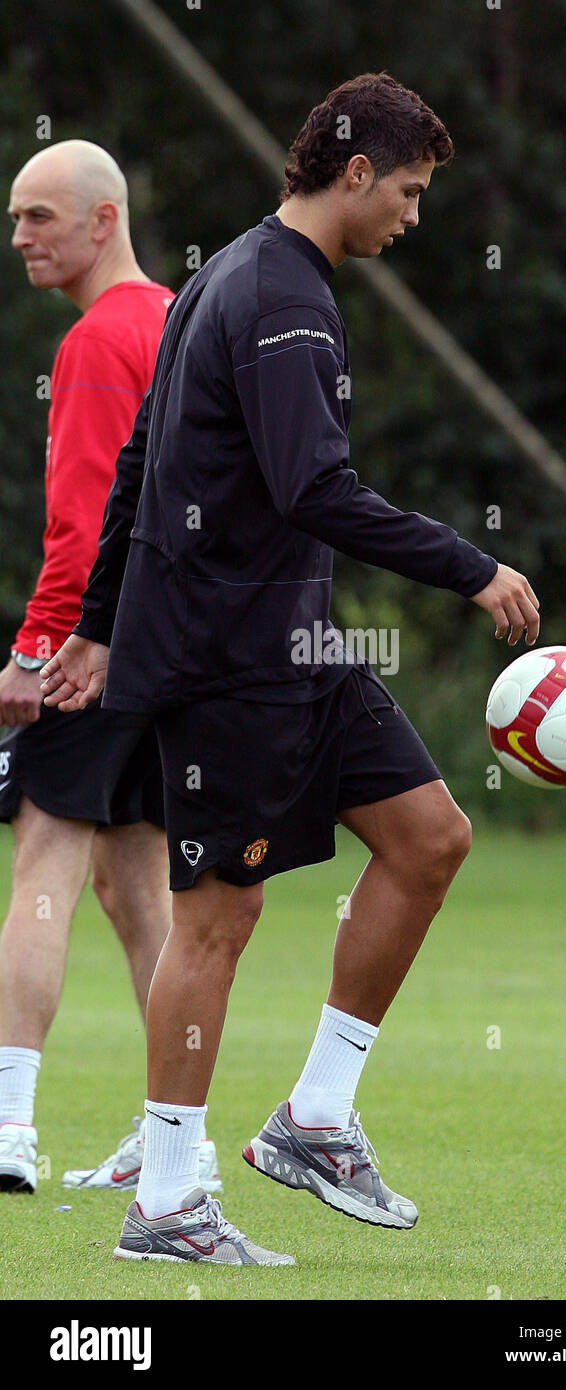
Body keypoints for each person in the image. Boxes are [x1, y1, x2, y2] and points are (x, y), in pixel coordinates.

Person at [42, 74, 539, 1268]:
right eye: (412, 192)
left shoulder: (240, 273)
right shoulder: (276, 297)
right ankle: (166, 1197)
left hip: (298, 645)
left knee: (430, 837)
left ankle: (316, 1120)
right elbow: (314, 487)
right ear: (356, 172)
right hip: (234, 659)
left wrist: (100, 618)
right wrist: (473, 568)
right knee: (219, 919)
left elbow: (141, 464)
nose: (416, 217)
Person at [0, 140, 221, 1196]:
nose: (20, 238)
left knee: (42, 864)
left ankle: (5, 1127)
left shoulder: (96, 339)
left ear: (105, 220)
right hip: (179, 654)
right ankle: (166, 1133)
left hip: (96, 648)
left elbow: (83, 523)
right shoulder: (188, 321)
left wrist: (37, 650)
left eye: (39, 216)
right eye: (15, 217)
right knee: (137, 891)